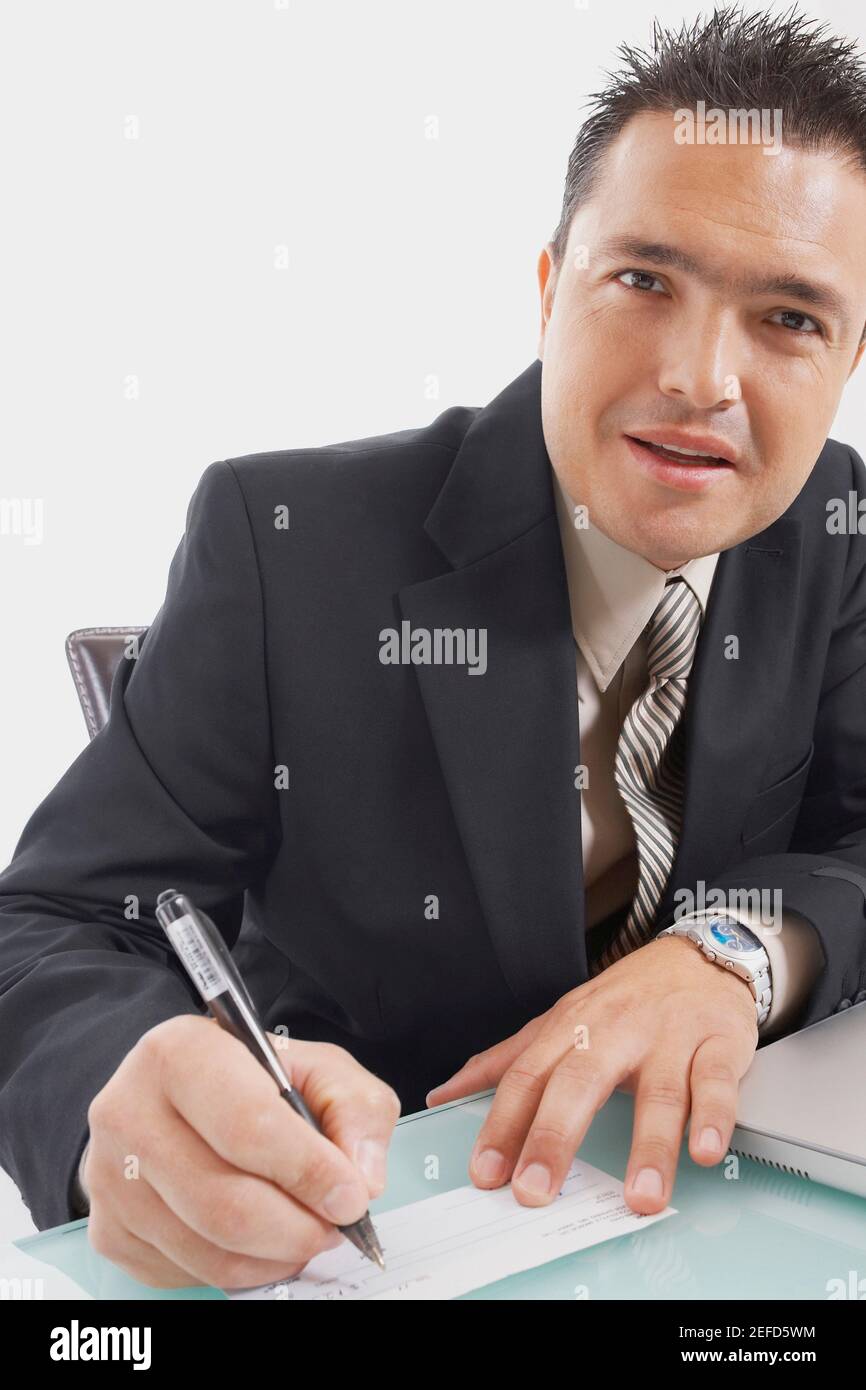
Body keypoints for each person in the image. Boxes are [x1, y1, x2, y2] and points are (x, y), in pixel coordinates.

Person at [1, 4, 865, 1290]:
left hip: (714, 1218)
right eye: (642, 279)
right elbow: (54, 921)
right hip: (366, 1229)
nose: (699, 377)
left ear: (847, 356)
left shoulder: (833, 530)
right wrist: (119, 1123)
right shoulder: (281, 542)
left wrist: (734, 954)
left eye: (788, 319)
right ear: (545, 286)